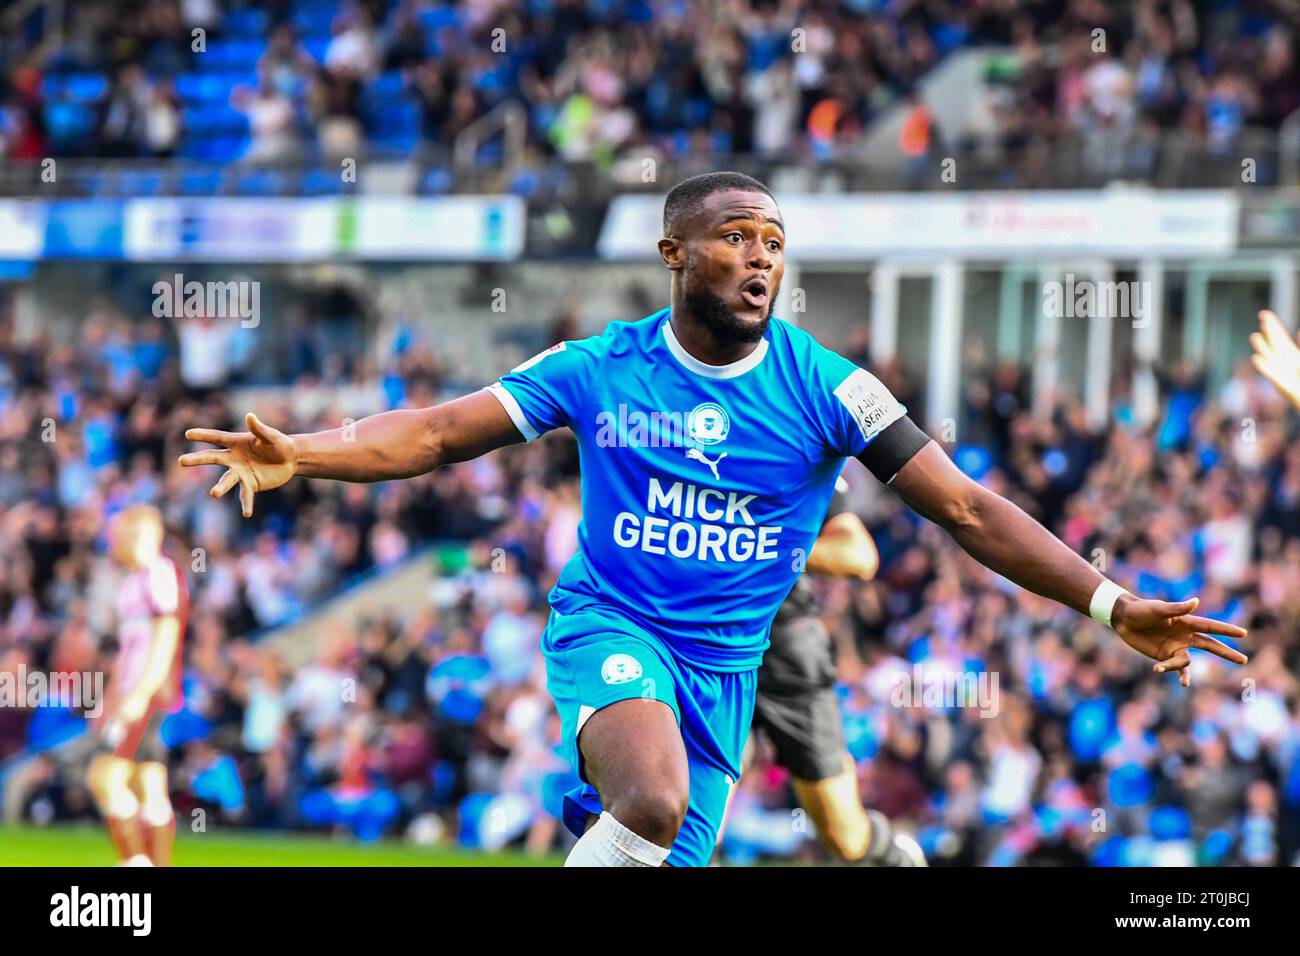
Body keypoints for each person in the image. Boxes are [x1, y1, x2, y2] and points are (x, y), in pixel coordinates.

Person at [180, 171, 1248, 867]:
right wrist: (304, 453)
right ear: (675, 254)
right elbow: (436, 434)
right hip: (614, 625)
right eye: (735, 237)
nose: (760, 259)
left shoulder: (832, 388)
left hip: (730, 667)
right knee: (648, 796)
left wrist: (1110, 603)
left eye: (774, 243)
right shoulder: (599, 365)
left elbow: (966, 507)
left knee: (661, 832)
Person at [746, 477, 924, 865]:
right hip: (697, 643)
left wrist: (759, 548)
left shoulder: (793, 441)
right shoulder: (666, 433)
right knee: (690, 804)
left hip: (786, 654)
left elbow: (858, 554)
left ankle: (894, 855)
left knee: (843, 835)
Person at [87, 505, 187, 866]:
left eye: (116, 536)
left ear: (136, 535)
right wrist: (110, 698)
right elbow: (128, 651)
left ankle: (135, 862)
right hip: (135, 694)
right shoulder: (134, 581)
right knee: (149, 785)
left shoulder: (159, 573)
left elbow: (167, 635)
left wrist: (140, 694)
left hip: (147, 694)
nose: (111, 544)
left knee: (104, 777)